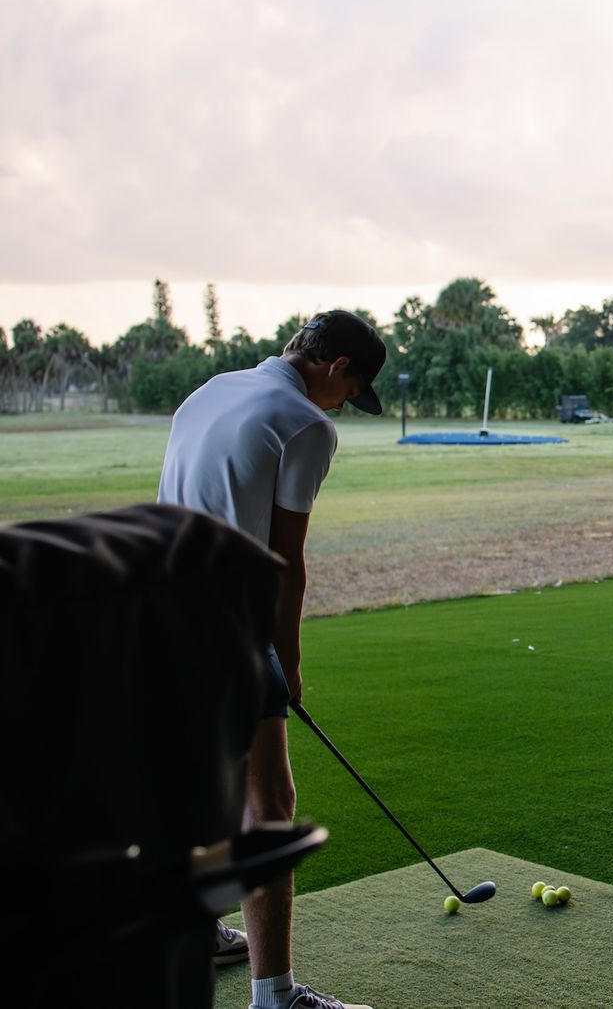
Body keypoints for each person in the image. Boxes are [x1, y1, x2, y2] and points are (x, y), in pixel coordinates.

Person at [159, 311, 386, 1009]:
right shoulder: (308, 424)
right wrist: (286, 659)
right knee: (269, 807)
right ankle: (274, 996)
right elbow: (285, 564)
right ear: (337, 366)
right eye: (352, 390)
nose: (345, 404)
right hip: (222, 624)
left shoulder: (212, 389)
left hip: (154, 607)